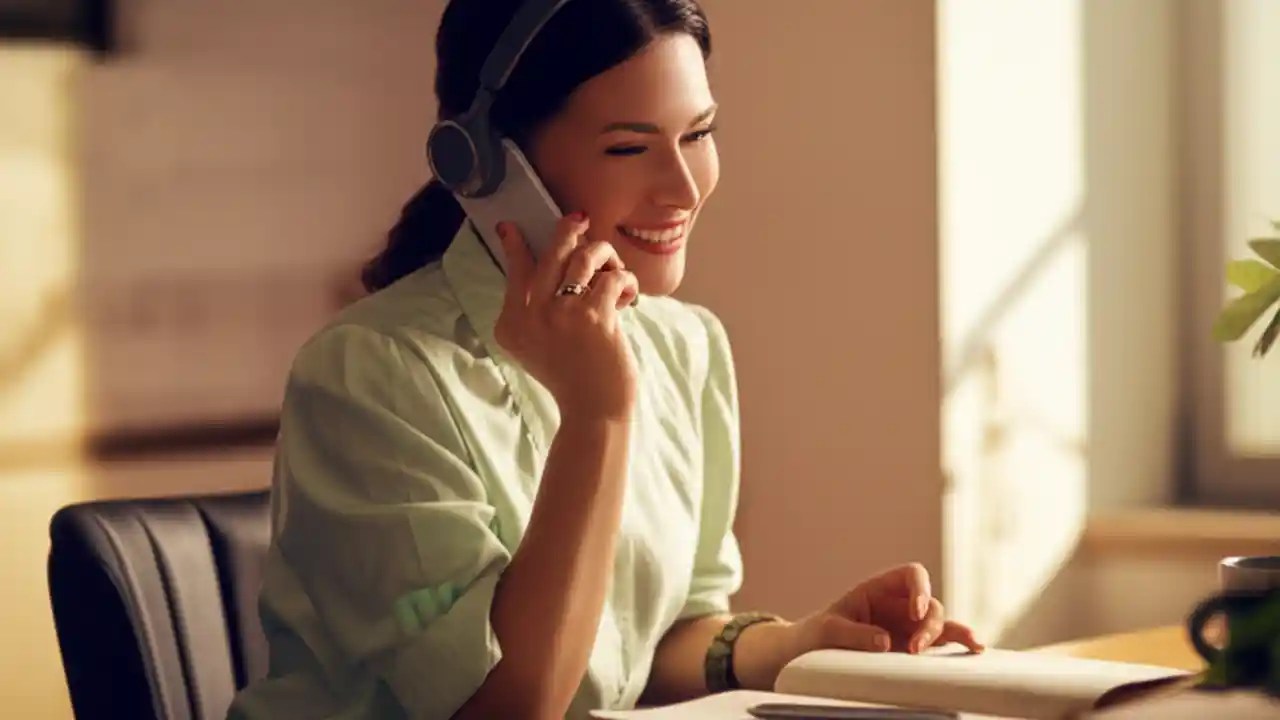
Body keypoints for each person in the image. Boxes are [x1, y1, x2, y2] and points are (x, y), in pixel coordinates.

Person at [227, 1, 984, 718]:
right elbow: (505, 708)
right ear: (486, 167)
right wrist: (598, 416)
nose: (683, 187)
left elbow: (653, 644)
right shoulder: (371, 374)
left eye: (699, 133)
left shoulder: (684, 345)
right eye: (629, 147)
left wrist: (796, 643)